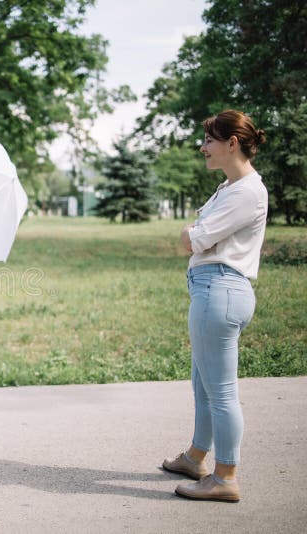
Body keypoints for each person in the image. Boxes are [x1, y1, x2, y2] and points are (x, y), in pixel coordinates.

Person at [163, 110, 268, 502]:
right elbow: (195, 236)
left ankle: (225, 477)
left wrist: (190, 234)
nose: (202, 147)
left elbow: (192, 240)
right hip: (213, 290)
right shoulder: (229, 187)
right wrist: (193, 234)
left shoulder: (247, 192)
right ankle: (195, 458)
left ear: (232, 143)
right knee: (203, 386)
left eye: (209, 140)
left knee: (220, 392)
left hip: (220, 290)